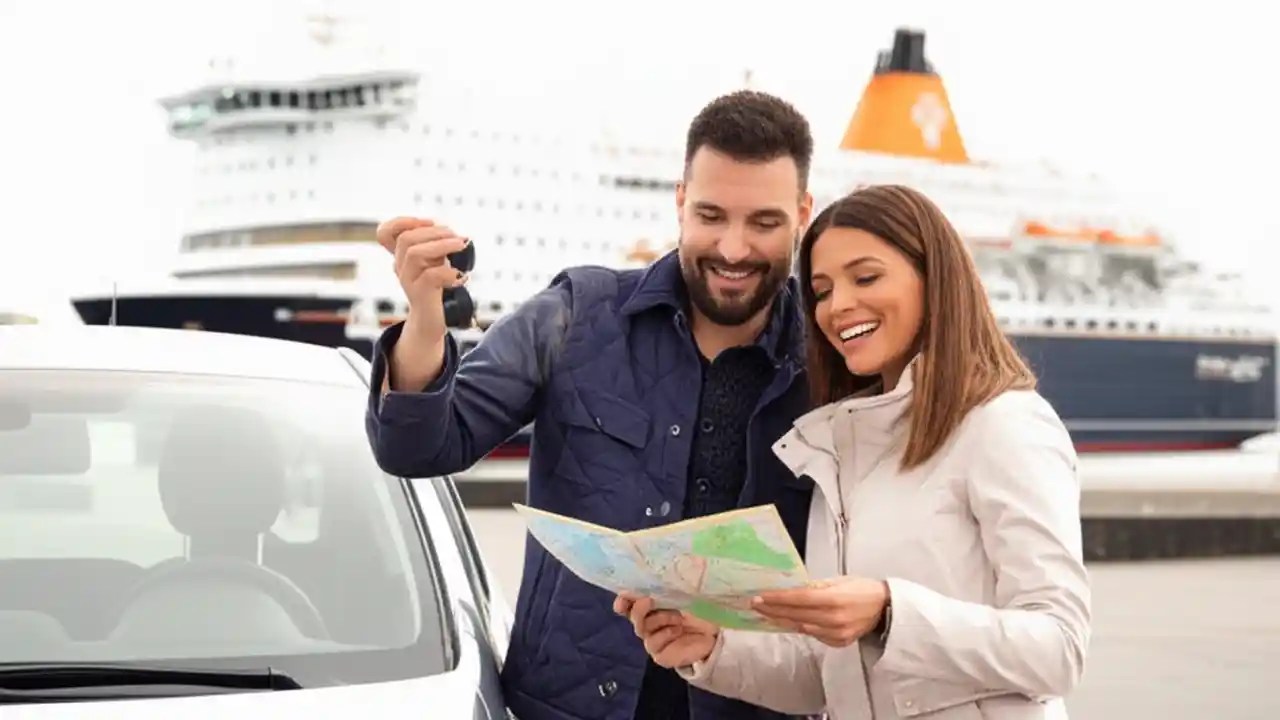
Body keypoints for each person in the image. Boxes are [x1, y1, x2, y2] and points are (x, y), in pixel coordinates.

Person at [365, 90, 820, 720]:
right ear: (680, 200)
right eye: (711, 215)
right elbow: (416, 447)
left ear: (803, 212)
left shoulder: (831, 369)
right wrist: (423, 319)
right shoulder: (576, 313)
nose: (735, 249)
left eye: (764, 223)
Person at [618, 184, 1092, 719]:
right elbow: (829, 677)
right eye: (820, 289)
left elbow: (1059, 648)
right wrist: (710, 648)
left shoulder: (1004, 424)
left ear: (934, 279)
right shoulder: (839, 449)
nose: (838, 305)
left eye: (865, 277)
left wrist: (890, 611)